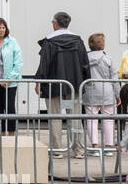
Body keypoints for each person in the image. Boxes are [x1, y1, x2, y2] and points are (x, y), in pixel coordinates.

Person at [35, 11, 90, 158]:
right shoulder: (78, 41)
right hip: (74, 84)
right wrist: (85, 82)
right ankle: (78, 150)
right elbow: (85, 63)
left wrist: (39, 81)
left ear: (55, 23)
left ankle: (57, 150)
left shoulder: (49, 42)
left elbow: (44, 64)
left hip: (54, 85)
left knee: (55, 117)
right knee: (75, 117)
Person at [82, 33, 117, 153]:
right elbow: (114, 77)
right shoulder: (108, 58)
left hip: (90, 91)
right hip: (107, 91)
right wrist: (118, 94)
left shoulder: (84, 59)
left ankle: (94, 147)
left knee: (91, 119)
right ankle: (109, 147)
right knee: (108, 119)